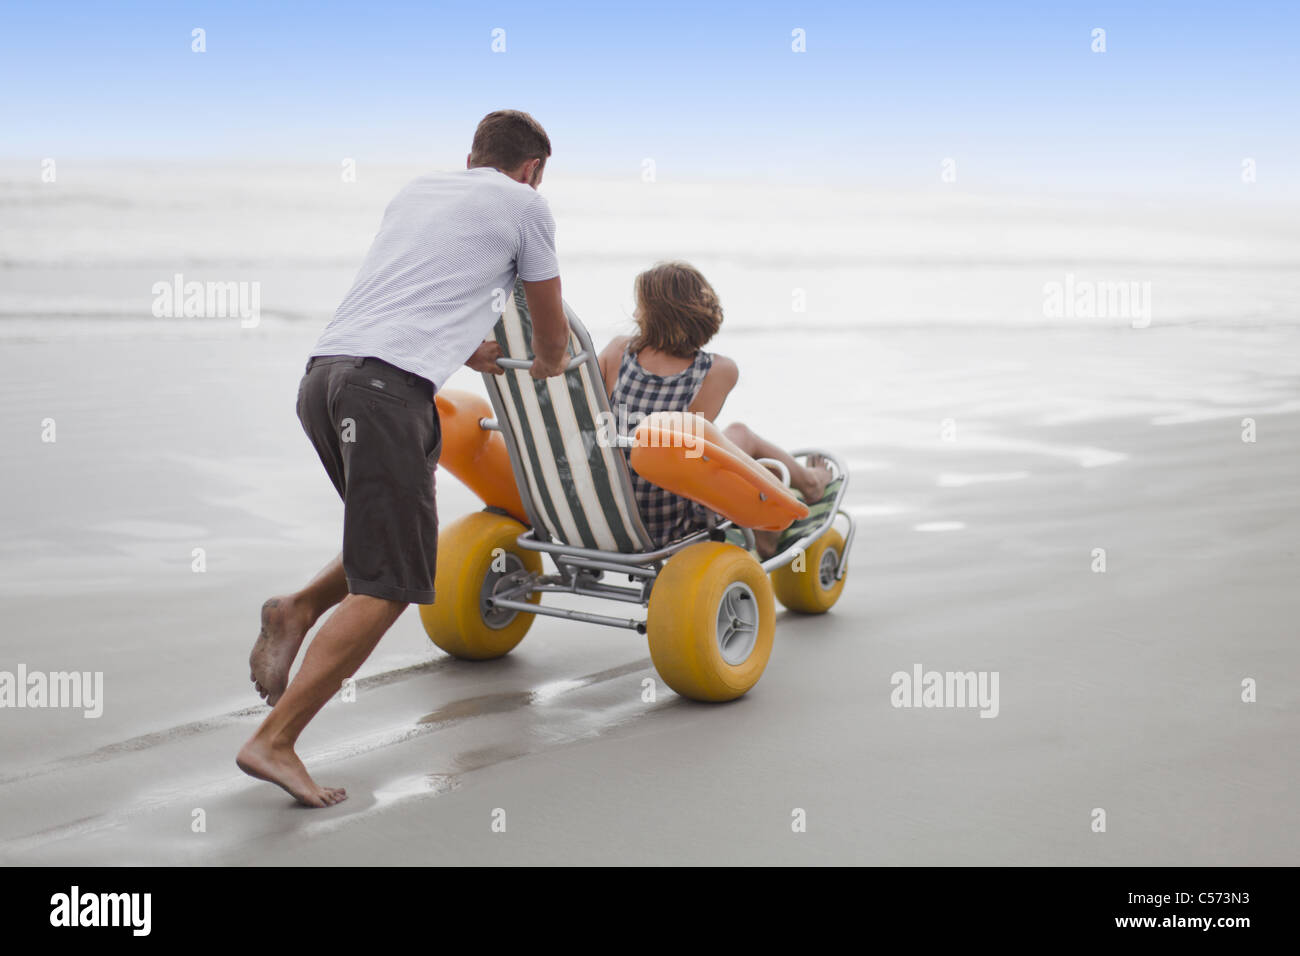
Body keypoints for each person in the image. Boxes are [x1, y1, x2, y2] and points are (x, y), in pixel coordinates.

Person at [239, 110, 570, 808]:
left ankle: (296, 607)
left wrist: (458, 348)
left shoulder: (420, 191)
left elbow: (417, 291)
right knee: (389, 585)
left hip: (326, 379)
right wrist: (547, 362)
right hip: (386, 394)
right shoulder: (527, 204)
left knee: (390, 550)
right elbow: (550, 320)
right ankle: (275, 741)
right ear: (532, 168)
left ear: (472, 154)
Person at [596, 261, 832, 554]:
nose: (634, 314)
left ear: (655, 316)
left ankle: (774, 515)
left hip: (605, 511)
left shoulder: (617, 351)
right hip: (667, 520)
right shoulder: (717, 370)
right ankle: (808, 485)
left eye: (640, 307)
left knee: (722, 444)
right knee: (739, 434)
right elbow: (693, 453)